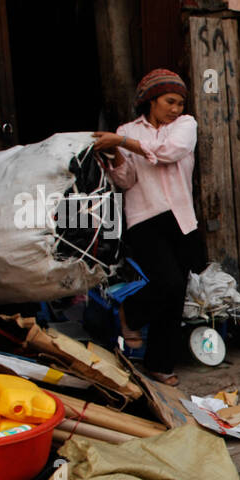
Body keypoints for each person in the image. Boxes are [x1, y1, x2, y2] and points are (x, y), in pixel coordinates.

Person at [94, 69, 205, 386]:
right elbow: (125, 180)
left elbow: (170, 153)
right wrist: (116, 152)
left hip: (182, 218)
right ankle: (132, 310)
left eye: (180, 103)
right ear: (151, 100)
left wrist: (124, 142)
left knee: (175, 296)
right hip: (145, 218)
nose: (176, 109)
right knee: (166, 282)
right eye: (170, 102)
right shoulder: (126, 130)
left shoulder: (185, 126)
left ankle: (160, 364)